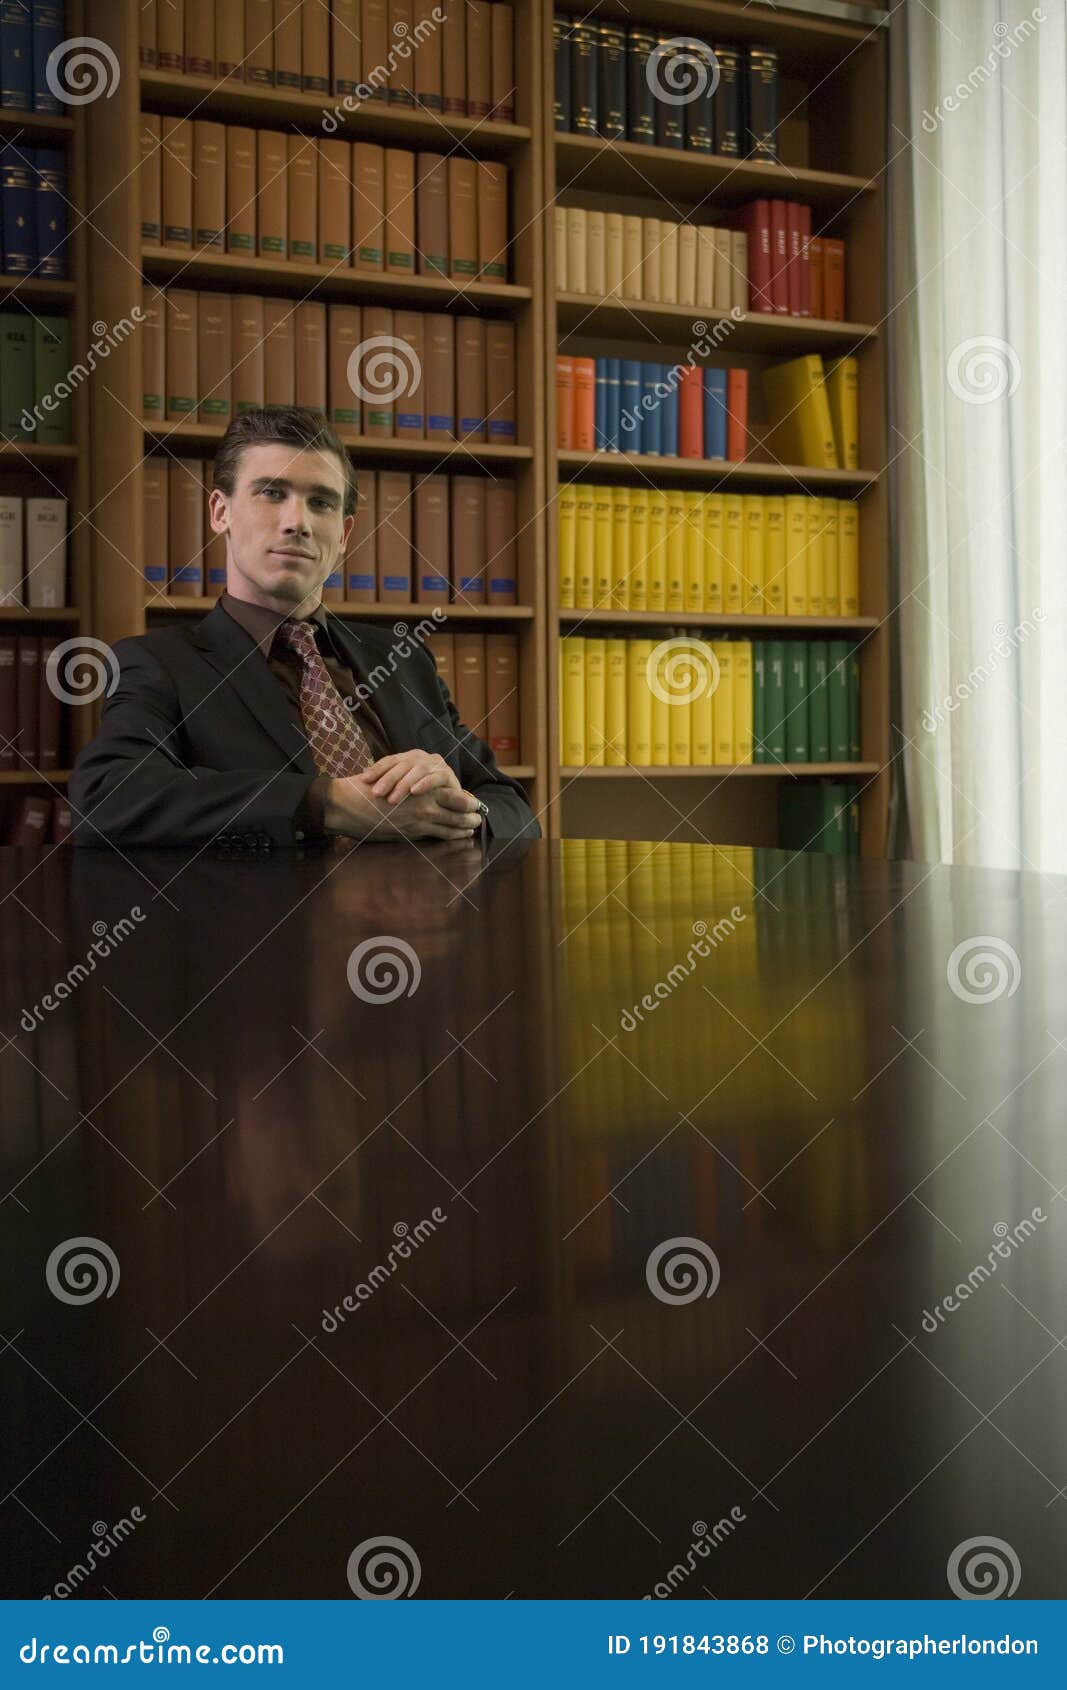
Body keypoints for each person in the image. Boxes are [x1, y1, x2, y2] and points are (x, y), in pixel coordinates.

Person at [70, 407, 540, 849]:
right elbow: (107, 799)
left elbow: (515, 810)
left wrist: (458, 810)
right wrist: (326, 804)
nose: (298, 522)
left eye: (321, 502)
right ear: (220, 512)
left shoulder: (401, 657)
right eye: (272, 493)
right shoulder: (160, 663)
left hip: (424, 925)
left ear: (344, 536)